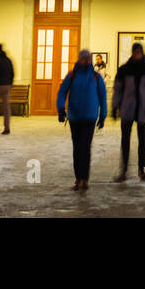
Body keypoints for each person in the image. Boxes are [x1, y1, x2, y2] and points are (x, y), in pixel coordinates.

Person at [56, 48, 106, 191]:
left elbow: (102, 97)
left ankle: (84, 179)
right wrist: (61, 109)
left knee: (85, 148)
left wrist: (103, 115)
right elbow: (62, 92)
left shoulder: (96, 77)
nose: (86, 61)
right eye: (83, 58)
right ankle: (78, 178)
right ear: (79, 59)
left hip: (89, 118)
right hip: (75, 118)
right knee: (77, 148)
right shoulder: (71, 76)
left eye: (87, 59)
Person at [111, 41, 145, 182]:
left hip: (144, 110)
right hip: (128, 109)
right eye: (135, 52)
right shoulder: (124, 70)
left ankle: (141, 170)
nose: (137, 54)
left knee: (142, 140)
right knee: (125, 140)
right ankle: (124, 171)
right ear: (132, 53)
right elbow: (118, 90)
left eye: (139, 52)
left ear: (143, 52)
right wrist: (115, 106)